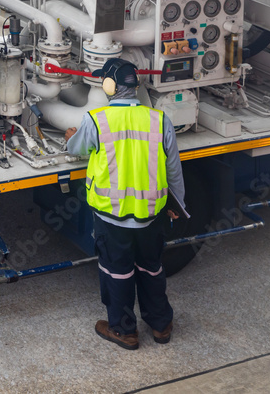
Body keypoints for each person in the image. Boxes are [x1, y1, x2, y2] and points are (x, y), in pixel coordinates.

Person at [64, 58, 188, 351]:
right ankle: (161, 325)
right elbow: (173, 169)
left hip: (112, 217)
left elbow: (76, 149)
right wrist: (177, 203)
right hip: (151, 215)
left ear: (109, 86)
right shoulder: (159, 119)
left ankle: (124, 330)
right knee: (151, 269)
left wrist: (72, 138)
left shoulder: (96, 120)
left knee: (117, 273)